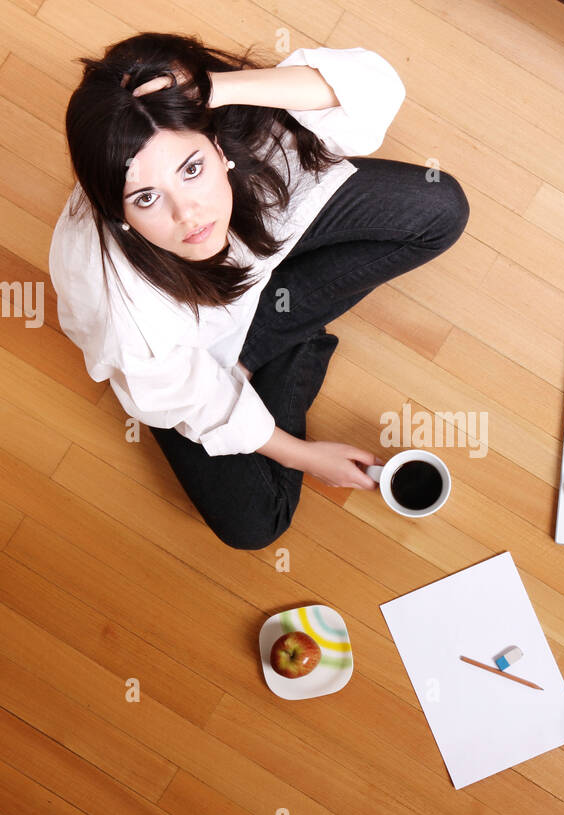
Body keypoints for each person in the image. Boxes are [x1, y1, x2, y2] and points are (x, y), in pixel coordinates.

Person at [48, 32, 469, 550]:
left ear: (217, 146)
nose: (190, 215)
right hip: (193, 357)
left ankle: (262, 346)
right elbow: (184, 394)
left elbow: (373, 89)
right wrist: (301, 454)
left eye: (192, 169)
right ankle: (279, 344)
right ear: (117, 210)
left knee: (439, 207)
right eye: (147, 197)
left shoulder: (241, 136)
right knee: (256, 524)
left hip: (263, 251)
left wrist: (214, 90)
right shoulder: (112, 297)